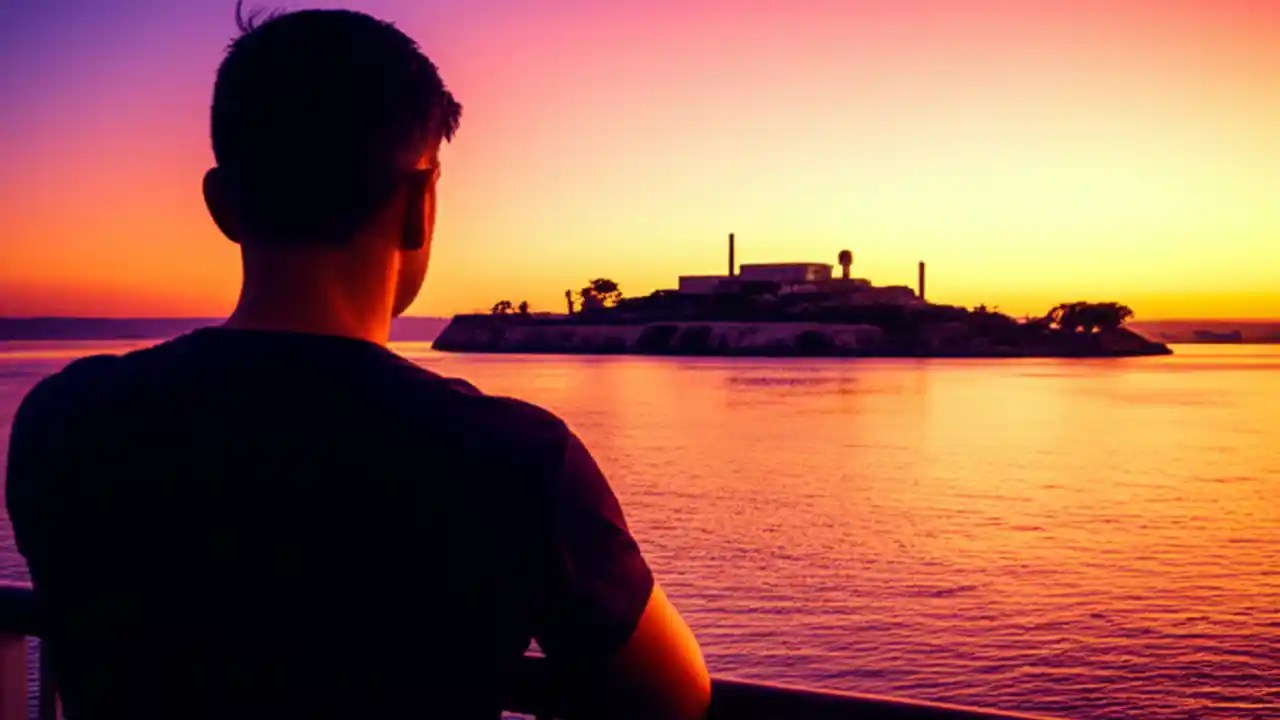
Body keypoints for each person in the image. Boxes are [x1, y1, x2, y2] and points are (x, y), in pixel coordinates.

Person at [5, 7, 709, 720]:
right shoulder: (514, 456)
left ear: (222, 206)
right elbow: (675, 695)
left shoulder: (63, 419)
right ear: (419, 205)